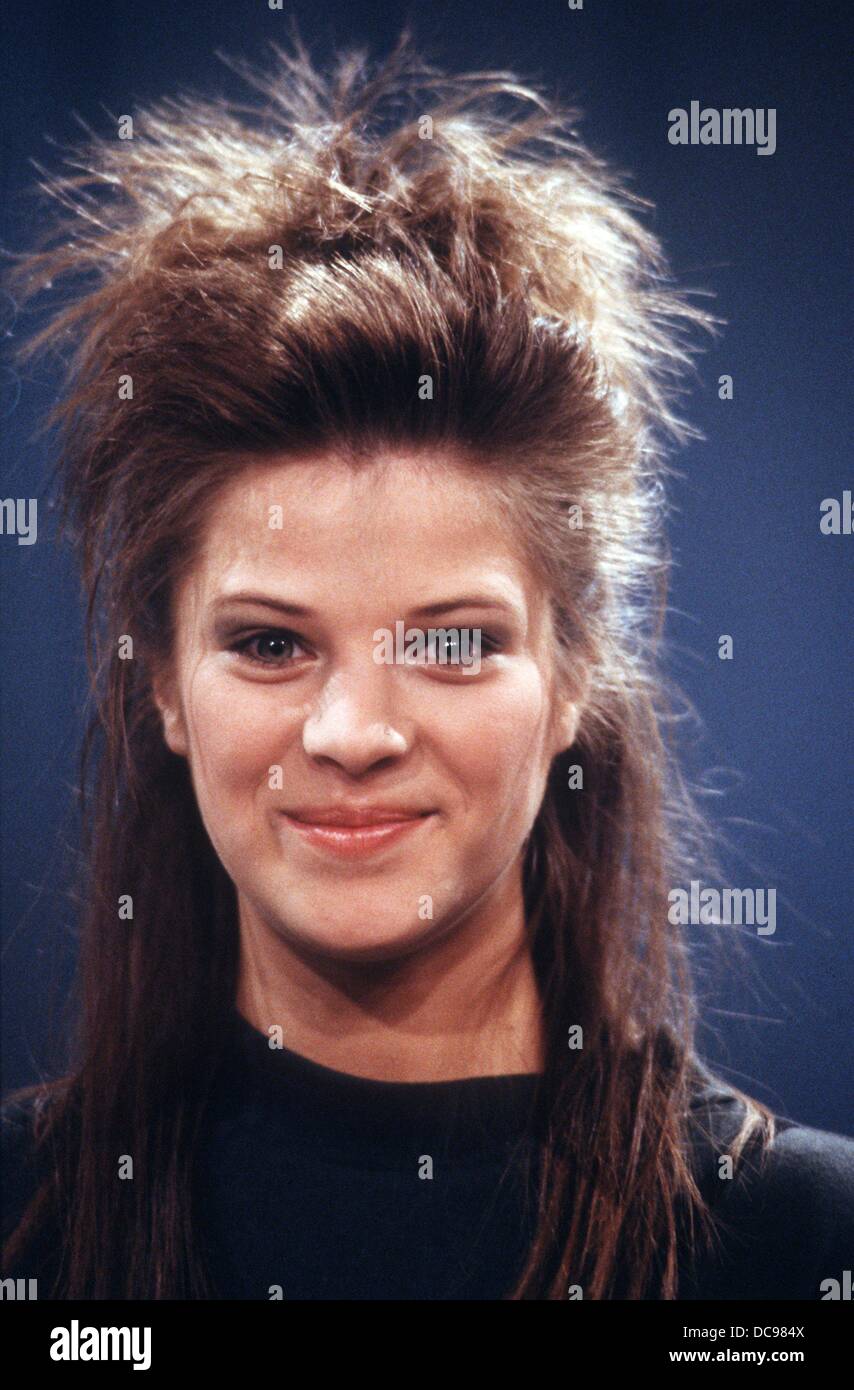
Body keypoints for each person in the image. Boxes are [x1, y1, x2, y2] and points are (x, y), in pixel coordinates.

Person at [2, 33, 852, 1301]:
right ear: (164, 684)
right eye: (270, 644)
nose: (351, 731)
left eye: (450, 643)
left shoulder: (796, 1246)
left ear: (573, 677)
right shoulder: (25, 1219)